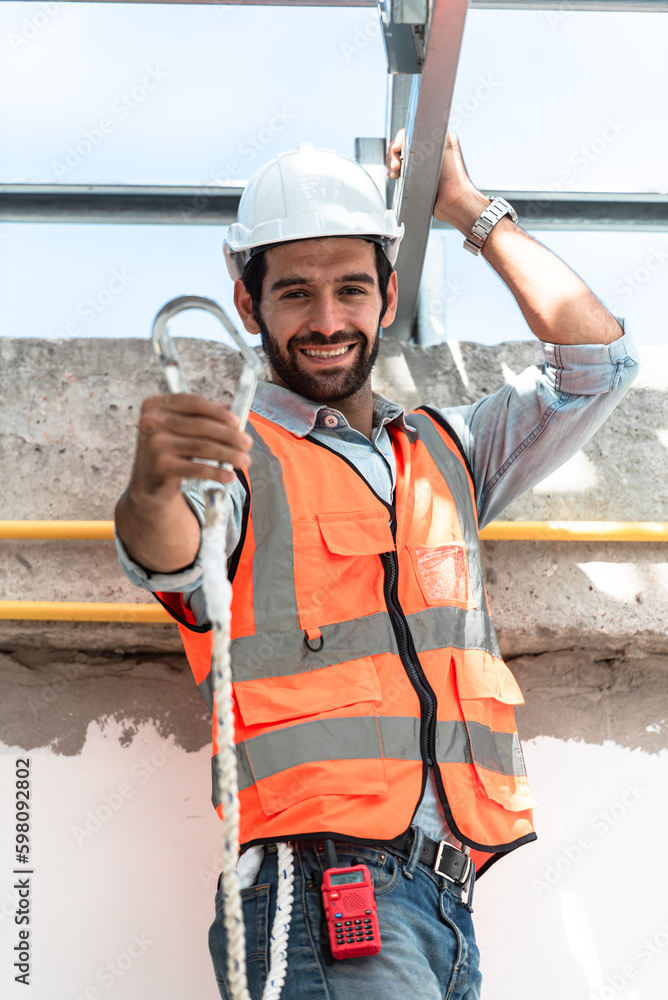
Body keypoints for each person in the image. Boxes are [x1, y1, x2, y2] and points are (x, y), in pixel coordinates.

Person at [114, 133, 638, 1000]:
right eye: (294, 293)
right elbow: (168, 560)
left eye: (351, 288)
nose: (326, 320)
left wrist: (470, 210)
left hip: (446, 898)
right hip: (318, 887)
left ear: (388, 295)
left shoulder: (448, 449)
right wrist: (150, 488)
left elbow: (597, 365)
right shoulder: (237, 458)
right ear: (250, 306)